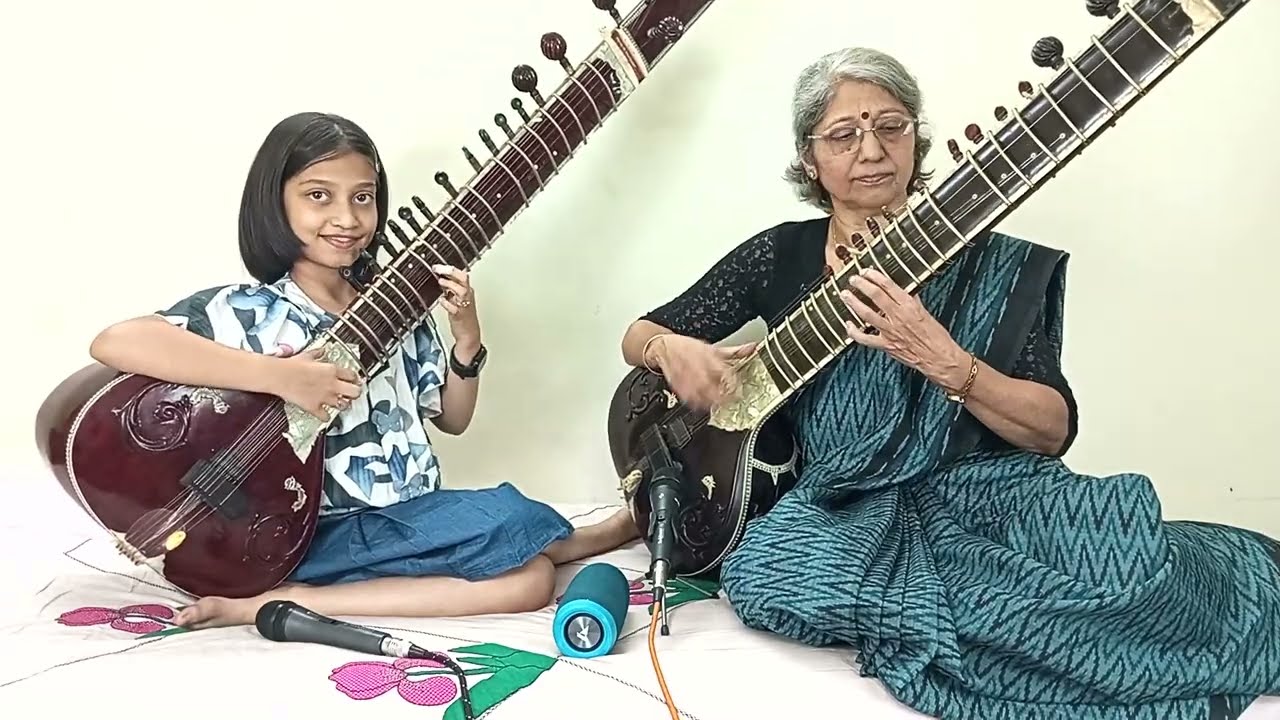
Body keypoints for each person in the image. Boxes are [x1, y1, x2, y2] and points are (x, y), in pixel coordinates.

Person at [620, 47, 1279, 719]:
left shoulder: (991, 264)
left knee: (1121, 553)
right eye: (844, 135)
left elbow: (1049, 429)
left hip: (990, 494)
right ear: (810, 159)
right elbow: (639, 334)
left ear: (917, 138)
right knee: (767, 572)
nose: (872, 149)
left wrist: (945, 361)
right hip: (849, 507)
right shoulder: (778, 255)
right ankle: (1014, 622)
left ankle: (1155, 617)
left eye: (892, 126)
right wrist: (671, 349)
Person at [90, 111, 637, 629]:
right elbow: (116, 342)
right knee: (514, 529)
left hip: (410, 518)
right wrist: (280, 377)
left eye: (364, 199)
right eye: (318, 196)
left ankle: (317, 598)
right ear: (273, 205)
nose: (347, 219)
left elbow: (453, 418)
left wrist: (468, 338)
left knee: (529, 583)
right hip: (313, 531)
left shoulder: (394, 304)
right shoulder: (243, 310)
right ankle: (294, 596)